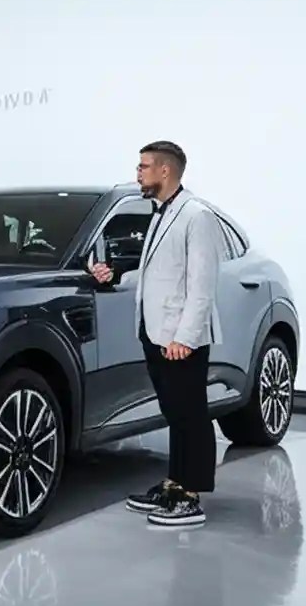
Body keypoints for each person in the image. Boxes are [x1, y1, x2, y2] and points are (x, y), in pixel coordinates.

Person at [90, 140, 225, 528]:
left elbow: (202, 285)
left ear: (165, 171)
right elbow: (157, 271)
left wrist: (186, 336)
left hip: (180, 338)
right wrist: (115, 274)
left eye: (144, 167)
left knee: (191, 416)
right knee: (175, 414)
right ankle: (175, 484)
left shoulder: (196, 215)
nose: (138, 173)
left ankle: (191, 497)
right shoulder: (161, 213)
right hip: (156, 333)